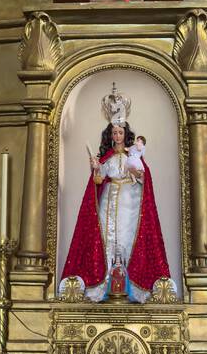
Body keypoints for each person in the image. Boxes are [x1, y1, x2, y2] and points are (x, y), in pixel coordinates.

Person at [59, 117, 171, 303]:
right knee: (106, 237)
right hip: (109, 201)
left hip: (131, 201)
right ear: (110, 136)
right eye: (114, 133)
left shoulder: (133, 155)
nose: (117, 136)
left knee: (128, 236)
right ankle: (105, 284)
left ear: (125, 135)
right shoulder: (107, 158)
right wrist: (96, 169)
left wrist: (136, 173)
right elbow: (98, 181)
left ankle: (130, 286)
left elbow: (144, 177)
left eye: (120, 132)